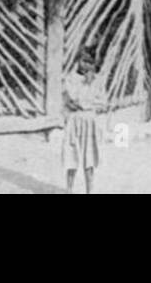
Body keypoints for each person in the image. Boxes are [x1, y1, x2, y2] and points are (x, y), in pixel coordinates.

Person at [62, 50, 105, 194]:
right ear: (77, 61)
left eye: (90, 62)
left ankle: (89, 190)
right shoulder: (71, 78)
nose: (86, 65)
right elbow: (72, 99)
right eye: (83, 61)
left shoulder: (97, 80)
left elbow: (102, 102)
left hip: (90, 121)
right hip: (74, 120)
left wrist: (87, 102)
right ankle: (69, 190)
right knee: (71, 154)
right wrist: (85, 86)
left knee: (89, 156)